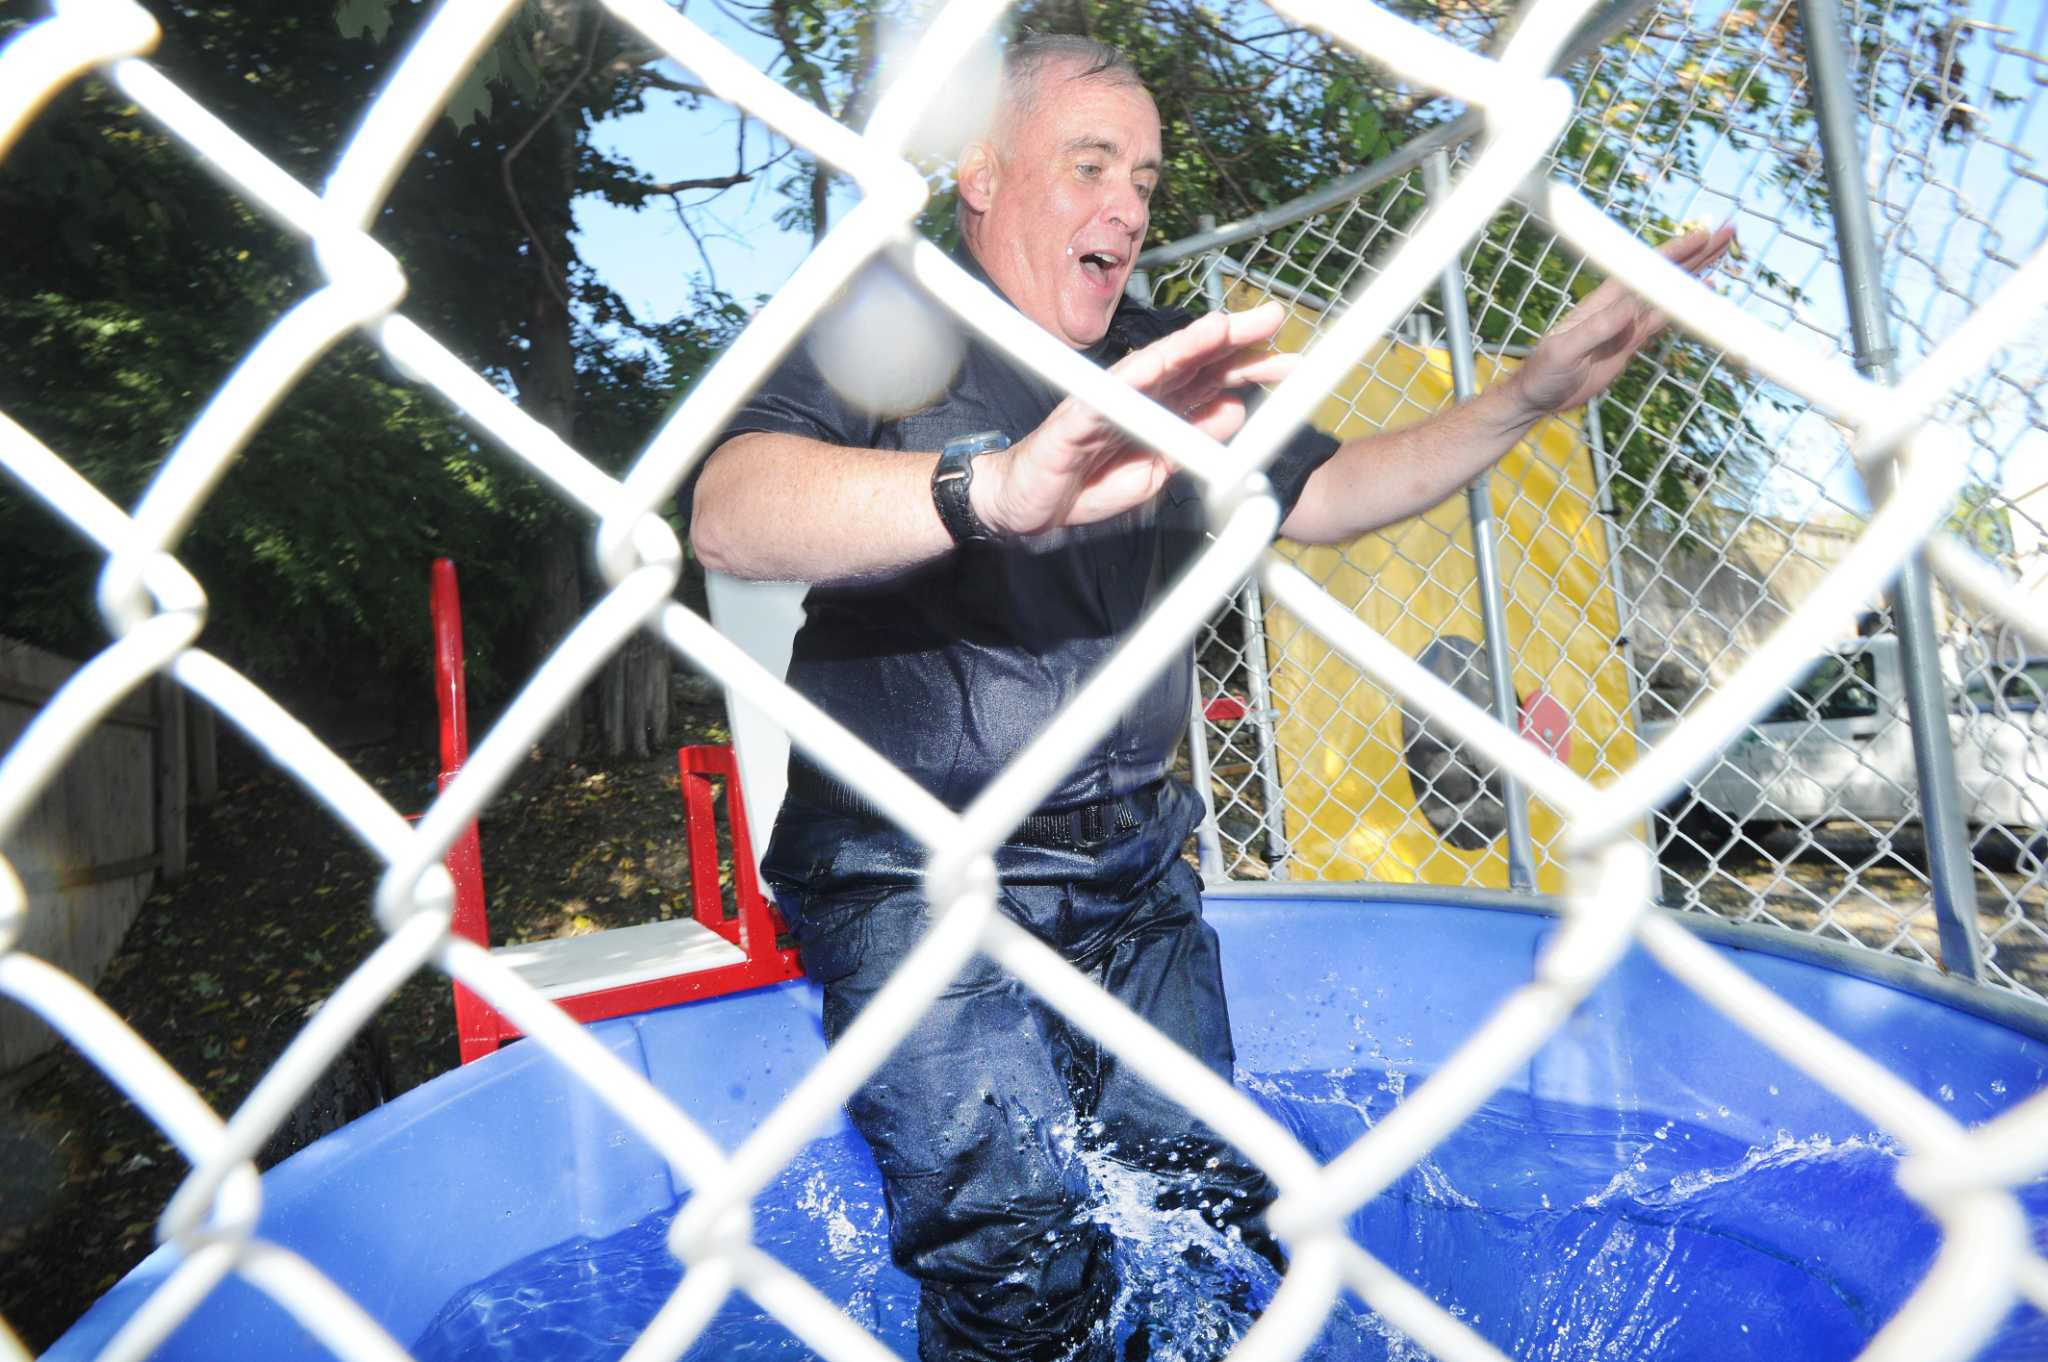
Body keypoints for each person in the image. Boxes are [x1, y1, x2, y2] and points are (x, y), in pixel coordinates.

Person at [689, 33, 1733, 1362]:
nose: (1127, 203)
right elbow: (726, 511)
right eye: (1090, 165)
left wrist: (1526, 397)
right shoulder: (885, 328)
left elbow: (1339, 492)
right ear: (981, 174)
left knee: (1205, 1225)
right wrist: (992, 489)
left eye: (1145, 175)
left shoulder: (1167, 371)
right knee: (1019, 1261)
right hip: (908, 865)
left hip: (1130, 871)